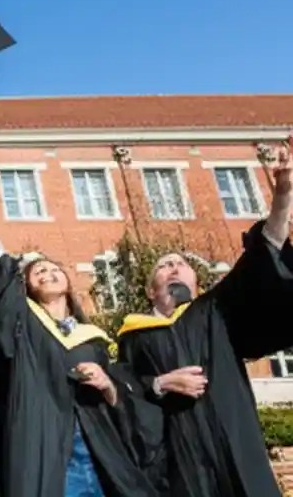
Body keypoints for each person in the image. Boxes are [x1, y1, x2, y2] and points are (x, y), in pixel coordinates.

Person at [0, 173, 154, 497]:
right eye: (39, 272)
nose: (48, 273)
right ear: (28, 288)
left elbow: (125, 402)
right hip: (45, 447)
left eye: (54, 269)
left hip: (100, 449)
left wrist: (107, 385)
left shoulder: (93, 338)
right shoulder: (26, 322)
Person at [116, 139, 293, 497]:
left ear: (197, 282)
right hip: (177, 464)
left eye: (181, 263)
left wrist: (283, 197)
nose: (173, 267)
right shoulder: (132, 336)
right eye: (163, 265)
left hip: (236, 448)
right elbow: (124, 393)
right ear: (151, 290)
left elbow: (260, 261)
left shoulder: (215, 310)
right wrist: (161, 384)